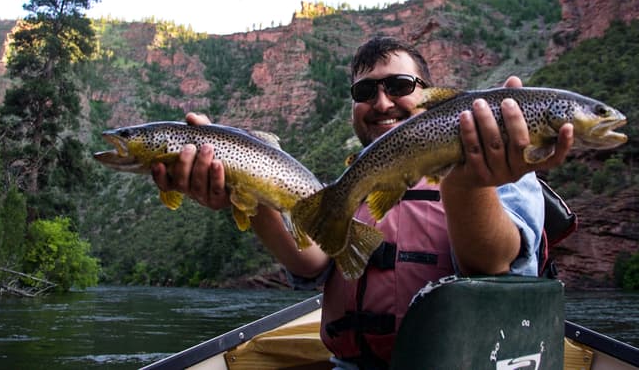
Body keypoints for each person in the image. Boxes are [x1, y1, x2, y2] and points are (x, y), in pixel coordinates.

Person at [152, 36, 573, 368]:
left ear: (432, 96)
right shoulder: (352, 184)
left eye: (400, 86)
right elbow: (310, 263)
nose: (383, 102)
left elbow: (494, 266)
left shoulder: (505, 165)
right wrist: (243, 185)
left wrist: (466, 181)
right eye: (366, 90)